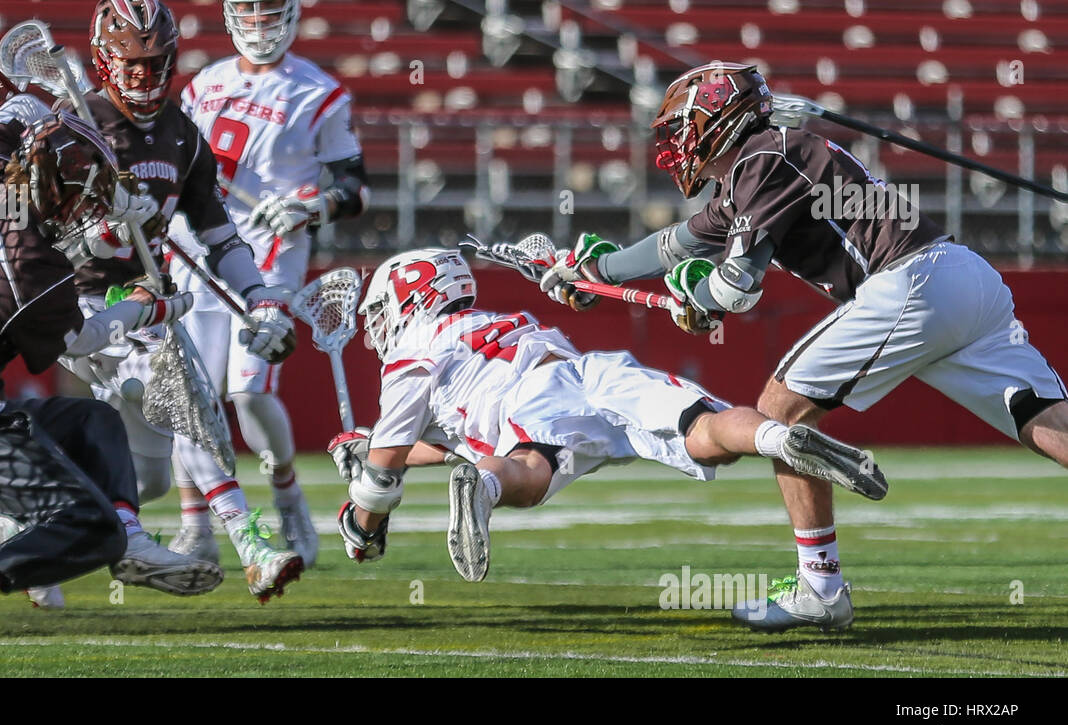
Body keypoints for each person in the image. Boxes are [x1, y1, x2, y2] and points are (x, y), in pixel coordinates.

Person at [539, 61, 1068, 632]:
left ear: (717, 117)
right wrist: (598, 270)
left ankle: (820, 587)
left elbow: (736, 287)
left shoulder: (763, 157)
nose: (676, 144)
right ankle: (819, 585)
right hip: (965, 280)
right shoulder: (759, 164)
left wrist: (698, 294)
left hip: (911, 282)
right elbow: (679, 243)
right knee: (1043, 419)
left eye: (684, 126)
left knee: (779, 414)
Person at [328, 249, 888, 584]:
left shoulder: (412, 353)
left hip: (528, 402)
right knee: (706, 431)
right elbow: (444, 442)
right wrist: (371, 443)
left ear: (411, 297)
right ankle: (775, 436)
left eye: (380, 311)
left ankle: (488, 492)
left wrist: (361, 524)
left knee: (528, 468)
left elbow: (383, 478)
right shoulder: (496, 320)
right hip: (589, 371)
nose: (377, 326)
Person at [0, 100, 213, 642]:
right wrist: (148, 306)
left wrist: (55, 115)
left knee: (96, 422)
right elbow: (81, 339)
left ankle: (127, 534)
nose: (88, 207)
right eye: (84, 196)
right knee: (91, 531)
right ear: (58, 191)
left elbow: (10, 110)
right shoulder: (32, 266)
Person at [44, 0, 304, 604]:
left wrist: (260, 294)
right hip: (83, 309)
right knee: (190, 401)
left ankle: (43, 525)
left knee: (150, 477)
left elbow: (217, 234)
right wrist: (95, 236)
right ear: (105, 61)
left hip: (147, 300)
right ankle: (253, 546)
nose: (145, 75)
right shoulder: (70, 130)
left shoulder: (179, 135)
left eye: (157, 63)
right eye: (132, 64)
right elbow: (31, 239)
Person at [173, 0, 371, 569]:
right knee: (192, 400)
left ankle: (286, 495)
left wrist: (311, 206)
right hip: (195, 253)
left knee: (250, 391)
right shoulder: (202, 85)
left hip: (269, 258)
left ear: (290, 11)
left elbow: (355, 188)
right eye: (248, 9)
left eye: (268, 8)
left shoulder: (319, 91)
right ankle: (195, 527)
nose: (258, 21)